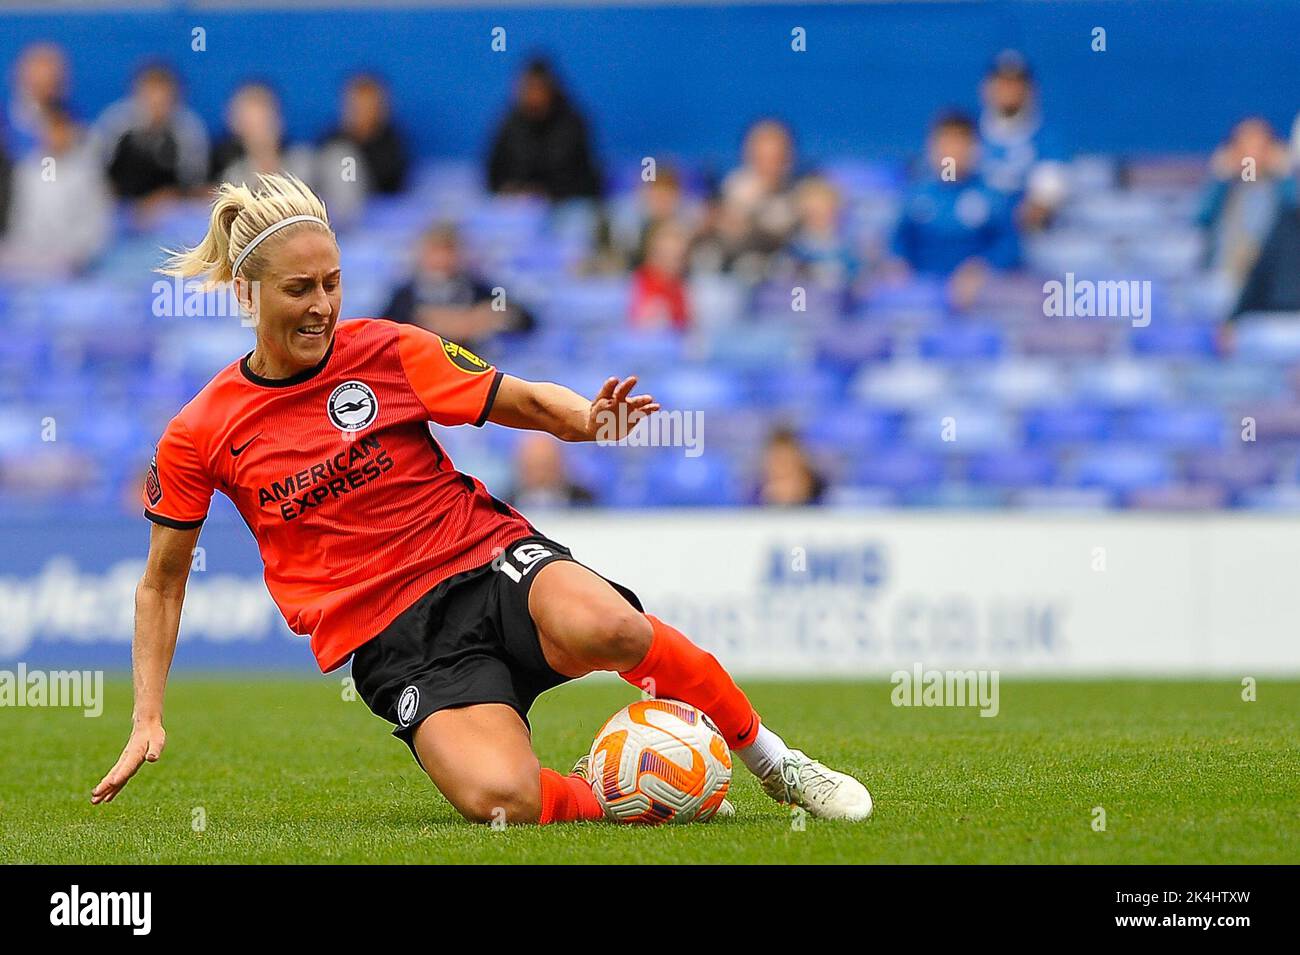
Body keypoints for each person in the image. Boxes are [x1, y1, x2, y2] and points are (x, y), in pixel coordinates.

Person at [89, 173, 871, 825]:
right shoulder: (201, 431)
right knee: (499, 798)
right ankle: (632, 797)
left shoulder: (389, 349)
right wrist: (146, 714)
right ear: (247, 293)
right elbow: (162, 578)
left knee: (611, 625)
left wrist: (588, 420)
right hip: (393, 637)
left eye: (332, 282)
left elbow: (521, 399)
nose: (323, 305)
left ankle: (777, 762)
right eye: (300, 289)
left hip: (480, 555)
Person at [889, 111, 1019, 309]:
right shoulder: (917, 194)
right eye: (945, 143)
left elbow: (1009, 245)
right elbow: (899, 242)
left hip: (979, 297)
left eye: (959, 143)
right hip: (922, 296)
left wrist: (982, 268)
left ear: (974, 148)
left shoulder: (992, 196)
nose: (951, 152)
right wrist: (898, 264)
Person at [381, 223, 534, 352]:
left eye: (448, 251)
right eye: (435, 251)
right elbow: (383, 332)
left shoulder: (478, 288)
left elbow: (523, 318)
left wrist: (490, 316)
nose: (442, 259)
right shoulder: (405, 294)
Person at [0, 103, 110, 276]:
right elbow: (19, 220)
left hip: (74, 259)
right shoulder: (27, 170)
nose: (55, 135)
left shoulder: (87, 173)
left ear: (72, 131)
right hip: (31, 254)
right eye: (49, 127)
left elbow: (97, 228)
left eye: (60, 128)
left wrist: (75, 254)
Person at [486, 58, 602, 200]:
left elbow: (587, 178)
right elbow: (493, 173)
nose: (534, 96)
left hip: (564, 206)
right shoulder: (509, 124)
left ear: (551, 89)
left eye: (539, 88)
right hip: (517, 208)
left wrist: (548, 193)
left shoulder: (572, 124)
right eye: (528, 88)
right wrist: (512, 189)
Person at [977, 50, 1067, 230]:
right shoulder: (969, 132)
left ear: (1030, 89)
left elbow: (1047, 196)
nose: (1009, 91)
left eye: (1016, 84)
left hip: (1027, 234)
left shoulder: (1046, 138)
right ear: (987, 88)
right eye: (1002, 83)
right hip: (976, 231)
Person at [94, 62, 209, 203]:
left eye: (164, 98)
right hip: (117, 204)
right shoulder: (116, 123)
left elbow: (195, 182)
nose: (156, 104)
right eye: (150, 94)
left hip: (171, 208)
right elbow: (96, 169)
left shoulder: (188, 129)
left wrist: (166, 197)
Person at [319, 73, 408, 195]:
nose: (362, 112)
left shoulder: (393, 145)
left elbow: (390, 182)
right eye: (356, 105)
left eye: (368, 106)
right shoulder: (332, 139)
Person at [506, 433, 596, 510]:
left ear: (560, 464)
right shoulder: (505, 505)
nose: (541, 475)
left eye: (546, 465)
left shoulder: (583, 500)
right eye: (535, 466)